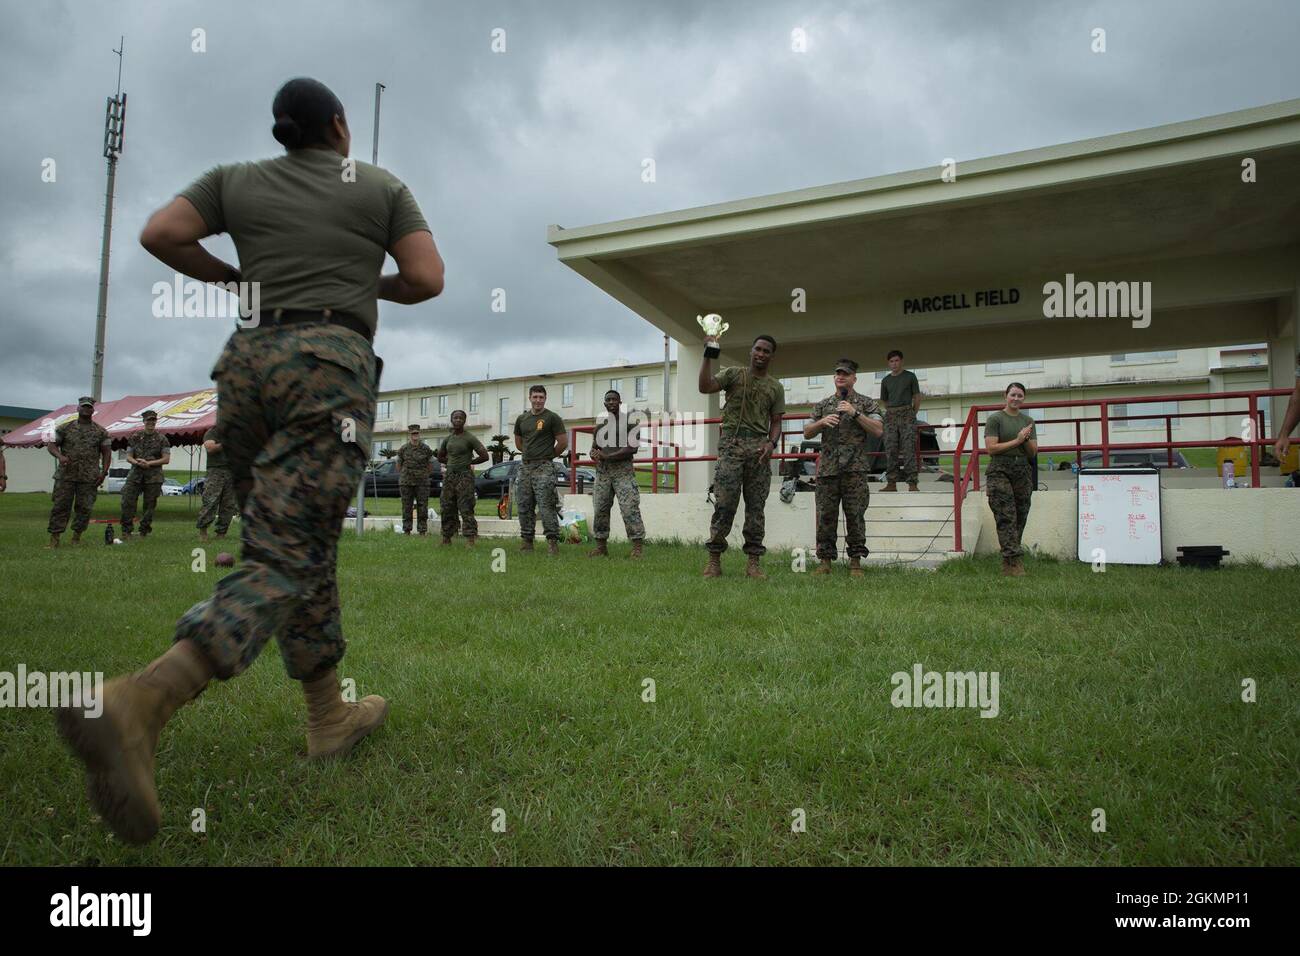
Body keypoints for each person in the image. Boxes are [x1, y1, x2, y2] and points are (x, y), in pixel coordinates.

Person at [56, 76, 445, 845]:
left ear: (282, 133)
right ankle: (145, 699)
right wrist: (364, 281)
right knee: (287, 550)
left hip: (244, 369)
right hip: (325, 367)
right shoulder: (379, 186)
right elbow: (428, 279)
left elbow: (161, 233)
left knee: (297, 540)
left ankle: (328, 716)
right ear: (338, 125)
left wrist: (235, 278)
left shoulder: (234, 180)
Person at [699, 334, 785, 578]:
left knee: (756, 507)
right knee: (725, 504)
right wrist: (708, 354)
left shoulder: (775, 387)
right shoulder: (734, 374)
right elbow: (704, 387)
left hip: (759, 450)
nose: (761, 354)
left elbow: (777, 421)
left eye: (766, 351)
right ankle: (714, 560)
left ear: (771, 355)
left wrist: (772, 443)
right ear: (751, 351)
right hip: (731, 445)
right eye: (757, 349)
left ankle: (753, 563)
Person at [803, 359, 883, 577]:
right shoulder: (823, 405)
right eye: (838, 374)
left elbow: (878, 430)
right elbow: (807, 431)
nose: (841, 377)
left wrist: (854, 413)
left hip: (854, 470)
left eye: (845, 374)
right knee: (825, 517)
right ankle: (825, 562)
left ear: (854, 378)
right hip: (828, 471)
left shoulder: (866, 403)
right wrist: (821, 423)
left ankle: (855, 563)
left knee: (855, 516)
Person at [984, 382, 1038, 576]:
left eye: (1020, 396)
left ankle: (1008, 561)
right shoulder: (995, 419)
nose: (1016, 399)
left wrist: (1024, 440)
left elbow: (1033, 453)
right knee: (1006, 515)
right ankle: (1014, 561)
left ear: (1024, 398)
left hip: (1022, 469)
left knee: (1021, 515)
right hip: (1000, 469)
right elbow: (991, 448)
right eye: (1013, 395)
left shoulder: (1028, 420)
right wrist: (1017, 440)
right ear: (1005, 396)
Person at [45, 396, 111, 548]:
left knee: (84, 508)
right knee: (60, 506)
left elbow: (107, 453)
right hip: (66, 475)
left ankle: (76, 537)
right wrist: (60, 456)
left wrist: (103, 473)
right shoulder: (65, 428)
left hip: (89, 477)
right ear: (78, 408)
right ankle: (54, 539)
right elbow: (51, 445)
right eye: (84, 407)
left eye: (89, 407)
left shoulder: (101, 432)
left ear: (93, 410)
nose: (86, 409)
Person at [588, 389, 645, 558]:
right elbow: (594, 448)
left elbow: (632, 448)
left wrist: (608, 456)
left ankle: (637, 547)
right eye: (608, 400)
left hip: (623, 472)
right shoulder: (600, 427)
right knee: (600, 509)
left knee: (629, 509)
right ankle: (601, 546)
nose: (611, 402)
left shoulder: (631, 423)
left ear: (620, 402)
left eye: (614, 399)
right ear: (604, 403)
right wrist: (593, 454)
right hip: (603, 473)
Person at [513, 385, 568, 555]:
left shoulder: (552, 418)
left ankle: (552, 542)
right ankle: (527, 541)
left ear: (545, 399)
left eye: (541, 397)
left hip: (544, 467)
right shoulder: (522, 419)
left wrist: (548, 456)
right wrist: (531, 454)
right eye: (535, 397)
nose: (538, 400)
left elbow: (563, 442)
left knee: (546, 505)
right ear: (529, 398)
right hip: (525, 467)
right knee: (524, 505)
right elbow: (519, 443)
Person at [436, 409, 488, 545]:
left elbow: (484, 456)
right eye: (455, 418)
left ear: (464, 421)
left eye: (460, 418)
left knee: (466, 506)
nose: (458, 420)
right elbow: (440, 456)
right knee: (447, 506)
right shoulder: (448, 439)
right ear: (451, 420)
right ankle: (446, 537)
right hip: (450, 477)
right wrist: (450, 463)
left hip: (465, 476)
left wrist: (469, 462)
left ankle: (470, 538)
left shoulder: (469, 438)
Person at [119, 409, 171, 541]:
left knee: (149, 505)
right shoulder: (135, 437)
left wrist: (150, 463)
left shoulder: (162, 439)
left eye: (153, 420)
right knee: (127, 501)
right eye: (149, 420)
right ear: (144, 421)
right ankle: (126, 531)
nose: (151, 422)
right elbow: (128, 456)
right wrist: (137, 462)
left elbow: (166, 459)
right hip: (135, 474)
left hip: (153, 476)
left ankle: (143, 531)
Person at [879, 349, 922, 492]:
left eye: (896, 361)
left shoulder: (910, 376)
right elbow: (884, 400)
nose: (894, 364)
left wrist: (911, 413)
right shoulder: (885, 380)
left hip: (907, 413)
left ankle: (912, 483)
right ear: (888, 363)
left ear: (901, 361)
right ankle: (891, 483)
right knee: (890, 449)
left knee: (909, 448)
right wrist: (893, 410)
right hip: (891, 415)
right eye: (891, 361)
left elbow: (916, 396)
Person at [196, 424, 237, 541]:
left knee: (228, 505)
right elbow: (210, 448)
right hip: (216, 471)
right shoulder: (213, 432)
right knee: (210, 501)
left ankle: (221, 533)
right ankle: (203, 531)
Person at [396, 423, 434, 536]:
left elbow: (430, 464)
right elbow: (398, 464)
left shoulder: (426, 448)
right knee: (406, 506)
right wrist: (404, 474)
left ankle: (422, 530)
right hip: (406, 482)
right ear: (410, 434)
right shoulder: (403, 449)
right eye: (413, 434)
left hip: (422, 482)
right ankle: (407, 530)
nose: (415, 435)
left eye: (416, 433)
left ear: (419, 434)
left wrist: (424, 474)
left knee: (423, 506)